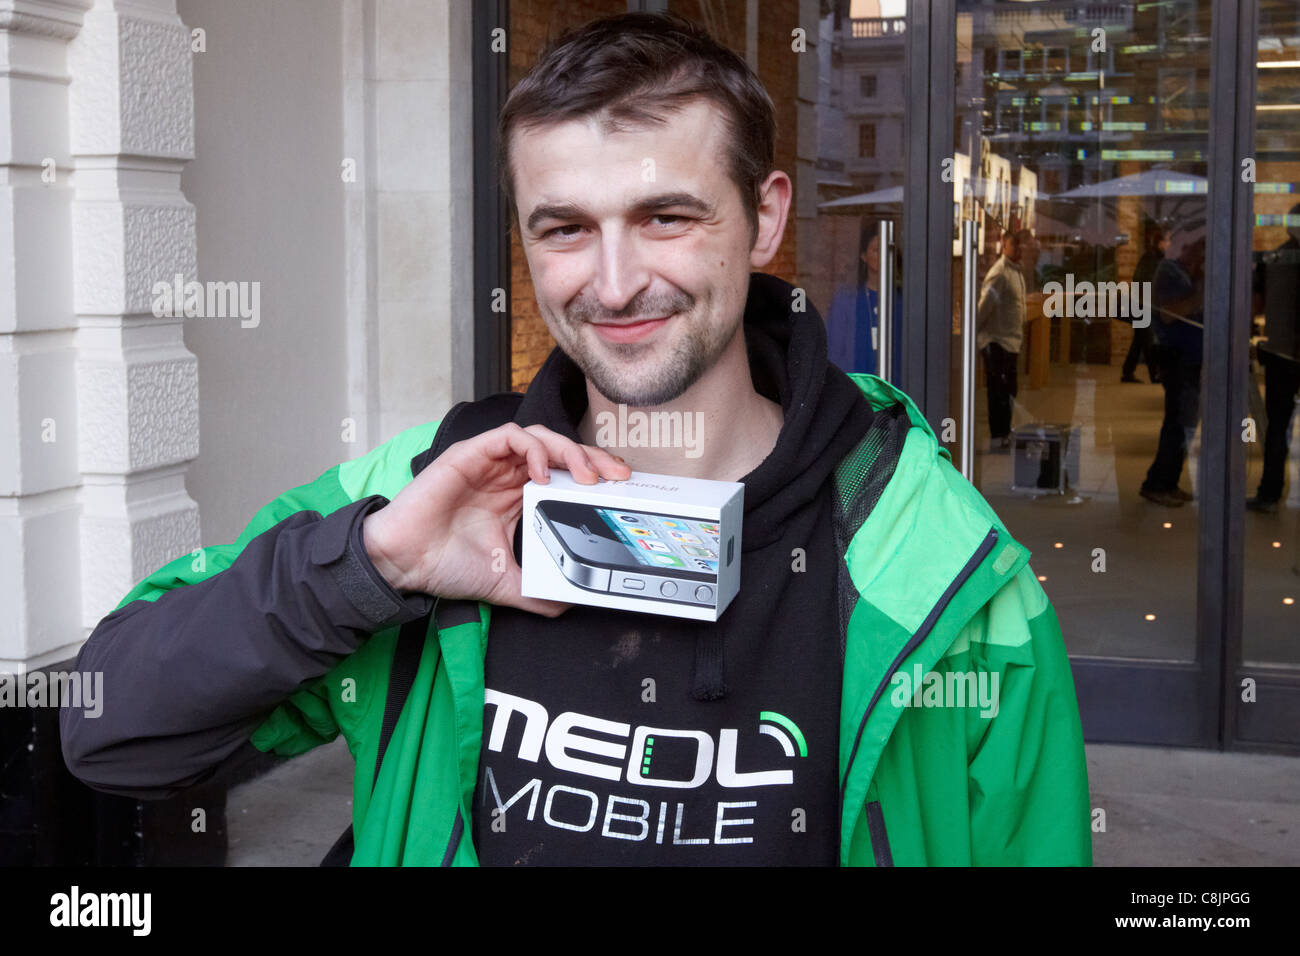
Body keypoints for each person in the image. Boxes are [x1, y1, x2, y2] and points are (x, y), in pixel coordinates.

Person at [60, 12, 1090, 866]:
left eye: (665, 217)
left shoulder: (941, 560)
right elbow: (109, 730)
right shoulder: (418, 487)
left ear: (765, 218)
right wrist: (368, 565)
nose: (612, 282)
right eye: (564, 228)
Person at [1139, 229, 1205, 508]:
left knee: (1184, 422)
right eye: (1201, 247)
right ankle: (1157, 484)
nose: (1204, 254)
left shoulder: (1189, 274)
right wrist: (1202, 291)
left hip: (1190, 358)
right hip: (1175, 357)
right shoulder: (1169, 272)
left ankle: (1168, 481)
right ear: (1186, 247)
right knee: (1178, 422)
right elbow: (1168, 313)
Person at [1247, 204, 1300, 514]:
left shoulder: (1273, 259)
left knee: (1277, 427)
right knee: (1277, 428)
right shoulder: (1273, 260)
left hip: (1281, 355)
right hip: (1281, 353)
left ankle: (1269, 493)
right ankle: (1268, 491)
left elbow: (1254, 304)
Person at [975, 228, 1029, 451]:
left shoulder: (1016, 271)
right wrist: (975, 330)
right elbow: (985, 306)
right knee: (999, 392)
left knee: (1008, 391)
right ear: (1004, 246)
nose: (1018, 249)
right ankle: (999, 436)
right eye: (1013, 245)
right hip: (997, 342)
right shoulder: (999, 273)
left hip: (1010, 341)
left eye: (1020, 246)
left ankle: (1005, 433)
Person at [826, 222, 903, 377]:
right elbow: (834, 351)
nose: (883, 256)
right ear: (863, 256)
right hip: (857, 387)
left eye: (888, 250)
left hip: (895, 389)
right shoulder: (847, 300)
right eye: (876, 250)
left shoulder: (902, 300)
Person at [1121, 224, 1168, 384]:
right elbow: (1145, 282)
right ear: (1159, 242)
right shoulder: (1151, 259)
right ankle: (1154, 374)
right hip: (1144, 305)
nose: (1169, 244)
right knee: (1147, 338)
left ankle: (1129, 372)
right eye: (1167, 240)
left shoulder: (1153, 259)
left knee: (1141, 338)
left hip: (1144, 304)